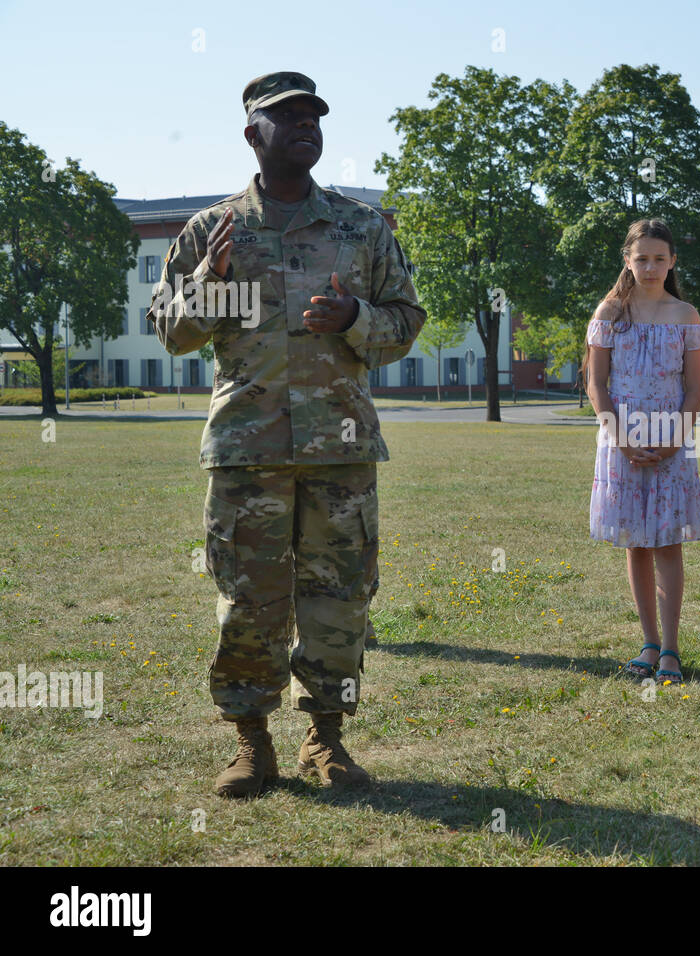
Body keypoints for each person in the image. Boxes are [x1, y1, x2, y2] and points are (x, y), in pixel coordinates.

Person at [152, 72, 426, 796]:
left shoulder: (359, 228)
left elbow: (405, 323)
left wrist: (355, 321)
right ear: (253, 134)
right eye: (287, 117)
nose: (305, 125)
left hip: (341, 451)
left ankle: (325, 741)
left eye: (313, 116)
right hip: (248, 451)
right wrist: (209, 287)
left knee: (340, 600)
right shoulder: (212, 231)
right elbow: (170, 335)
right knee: (250, 600)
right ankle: (251, 744)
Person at [585, 219, 700, 685]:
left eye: (660, 258)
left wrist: (674, 439)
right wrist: (620, 438)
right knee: (636, 544)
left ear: (672, 261)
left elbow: (695, 391)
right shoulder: (610, 313)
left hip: (672, 439)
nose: (651, 266)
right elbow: (597, 384)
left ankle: (672, 650)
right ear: (627, 260)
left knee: (667, 542)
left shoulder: (686, 316)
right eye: (642, 259)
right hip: (620, 440)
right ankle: (648, 643)